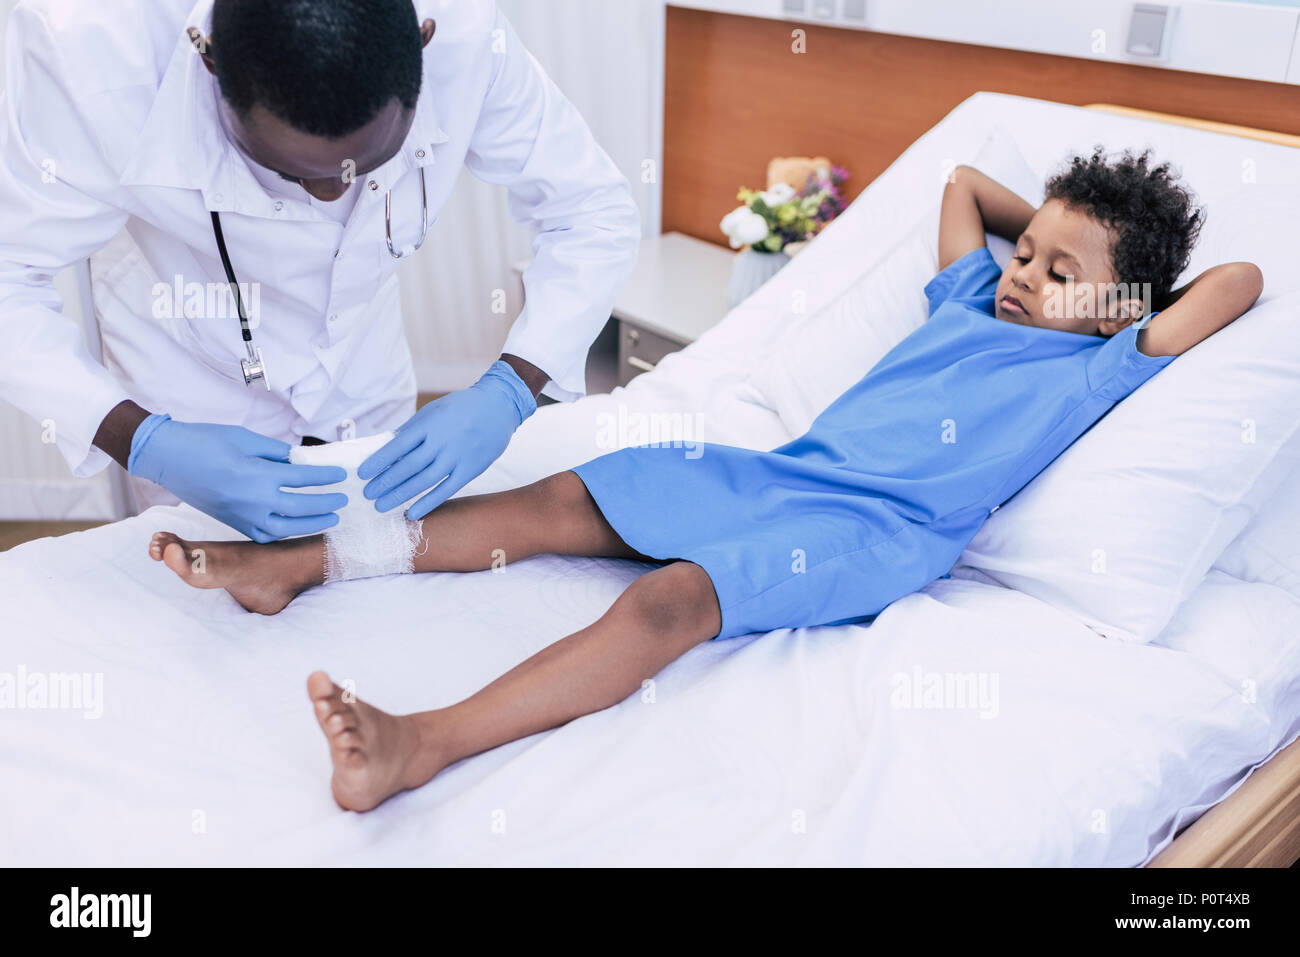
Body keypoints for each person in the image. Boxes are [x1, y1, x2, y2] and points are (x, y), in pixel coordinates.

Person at [147, 148, 1262, 812]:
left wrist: (1105, 294)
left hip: (879, 529)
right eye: (1025, 256)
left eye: (1058, 272)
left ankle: (420, 743)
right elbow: (965, 183)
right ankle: (300, 563)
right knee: (570, 492)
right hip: (785, 471)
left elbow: (1238, 278)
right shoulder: (969, 296)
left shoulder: (1097, 362)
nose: (1023, 275)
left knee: (670, 598)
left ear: (1122, 304)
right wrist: (1049, 243)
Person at [0, 0, 639, 541]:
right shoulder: (87, 52)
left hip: (360, 358)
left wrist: (513, 389)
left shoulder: (467, 31)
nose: (333, 197)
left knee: (373, 556)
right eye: (292, 173)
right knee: (206, 594)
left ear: (424, 47)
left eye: (369, 162)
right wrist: (139, 438)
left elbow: (592, 211)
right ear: (209, 62)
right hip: (185, 361)